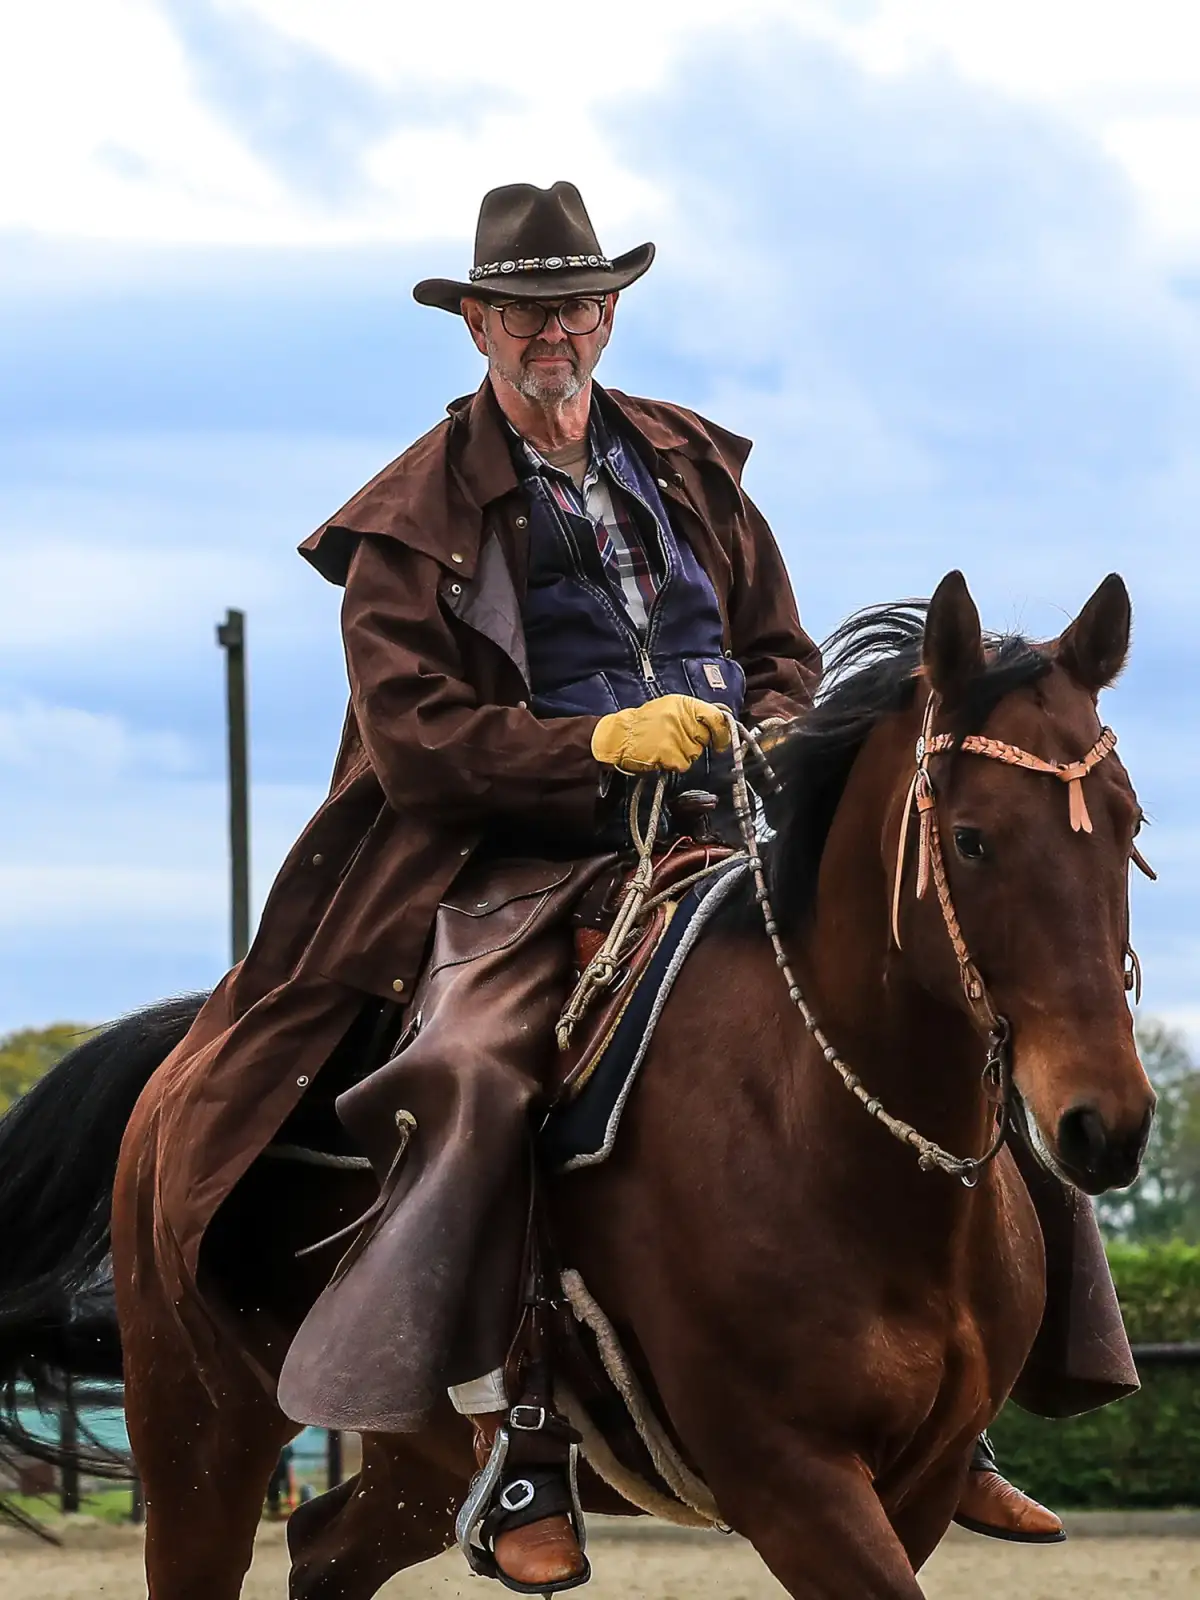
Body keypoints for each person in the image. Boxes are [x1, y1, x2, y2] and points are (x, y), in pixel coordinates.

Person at [132, 182, 1119, 1598]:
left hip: (724, 830)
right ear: (477, 323)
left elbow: (781, 649)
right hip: (508, 867)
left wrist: (779, 727)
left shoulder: (695, 465)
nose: (558, 331)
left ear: (610, 313)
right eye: (528, 309)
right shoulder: (406, 524)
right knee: (475, 1075)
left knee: (961, 990)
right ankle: (517, 1430)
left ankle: (972, 1405)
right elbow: (417, 745)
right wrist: (585, 744)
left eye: (580, 304)